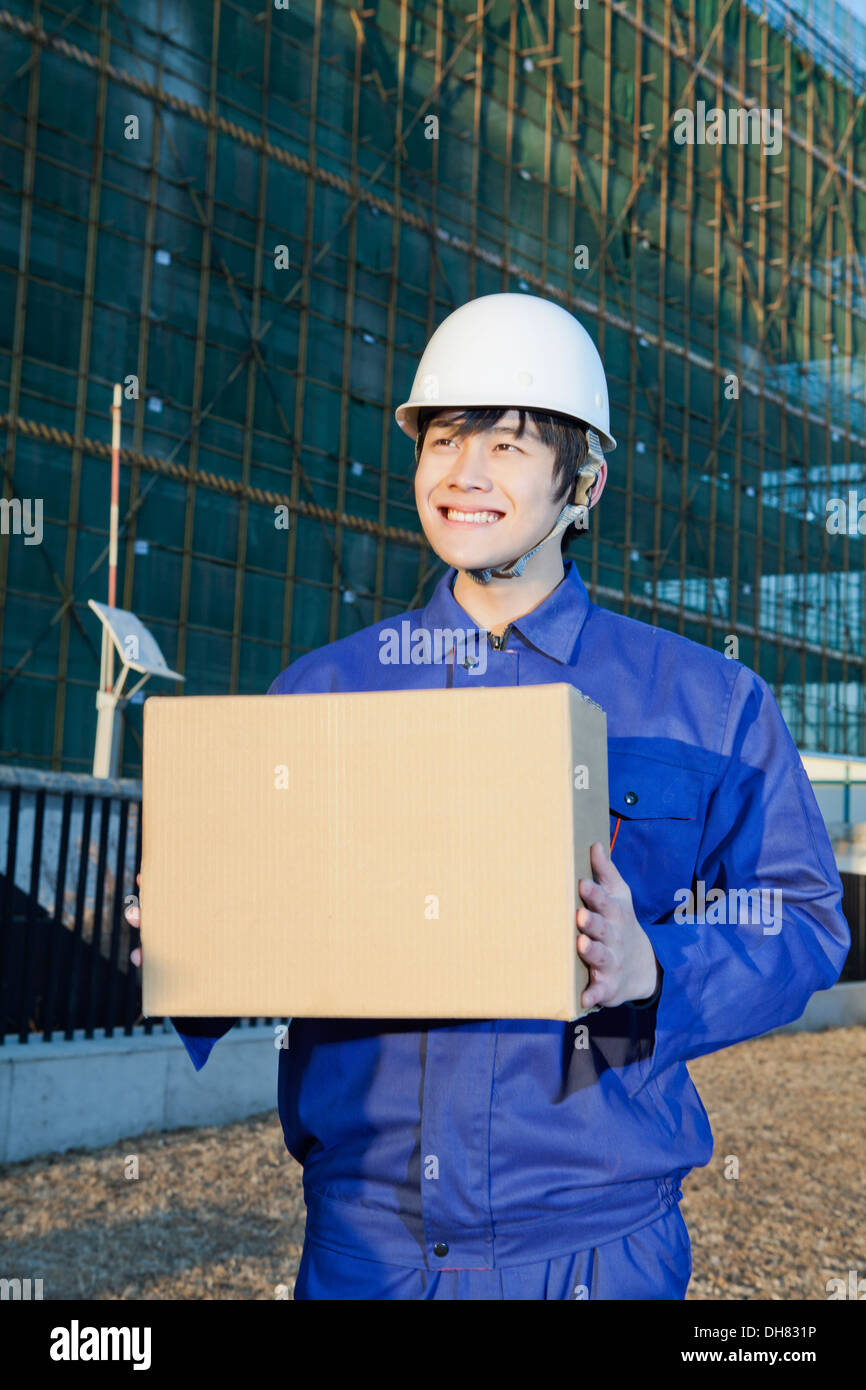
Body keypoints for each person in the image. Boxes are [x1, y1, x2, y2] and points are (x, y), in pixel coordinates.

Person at [127, 293, 850, 1301]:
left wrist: (653, 971)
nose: (464, 474)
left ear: (581, 482)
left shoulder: (707, 701)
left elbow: (805, 919)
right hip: (365, 1247)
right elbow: (259, 942)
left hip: (596, 1248)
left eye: (507, 446)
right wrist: (187, 940)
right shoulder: (324, 689)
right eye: (442, 440)